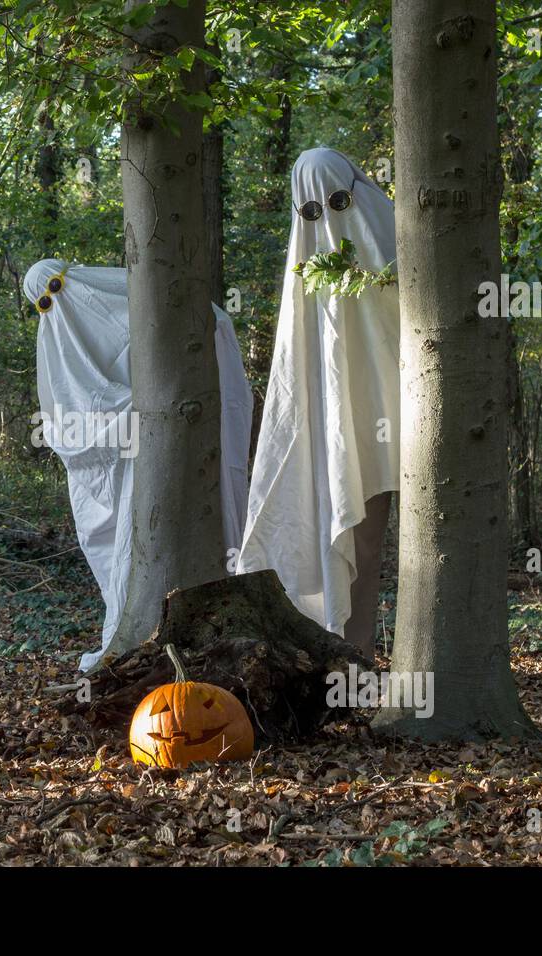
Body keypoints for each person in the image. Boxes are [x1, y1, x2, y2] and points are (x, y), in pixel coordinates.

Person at [25, 259, 253, 671]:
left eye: (56, 288)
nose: (57, 299)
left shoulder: (139, 302)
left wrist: (153, 404)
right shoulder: (69, 335)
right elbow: (75, 418)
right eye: (45, 300)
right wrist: (138, 410)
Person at [236, 147, 399, 658]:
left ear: (357, 191)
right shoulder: (305, 269)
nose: (326, 220)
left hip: (400, 423)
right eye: (311, 210)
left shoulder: (390, 237)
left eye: (338, 201)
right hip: (341, 432)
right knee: (350, 542)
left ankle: (374, 651)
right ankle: (350, 654)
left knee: (393, 542)